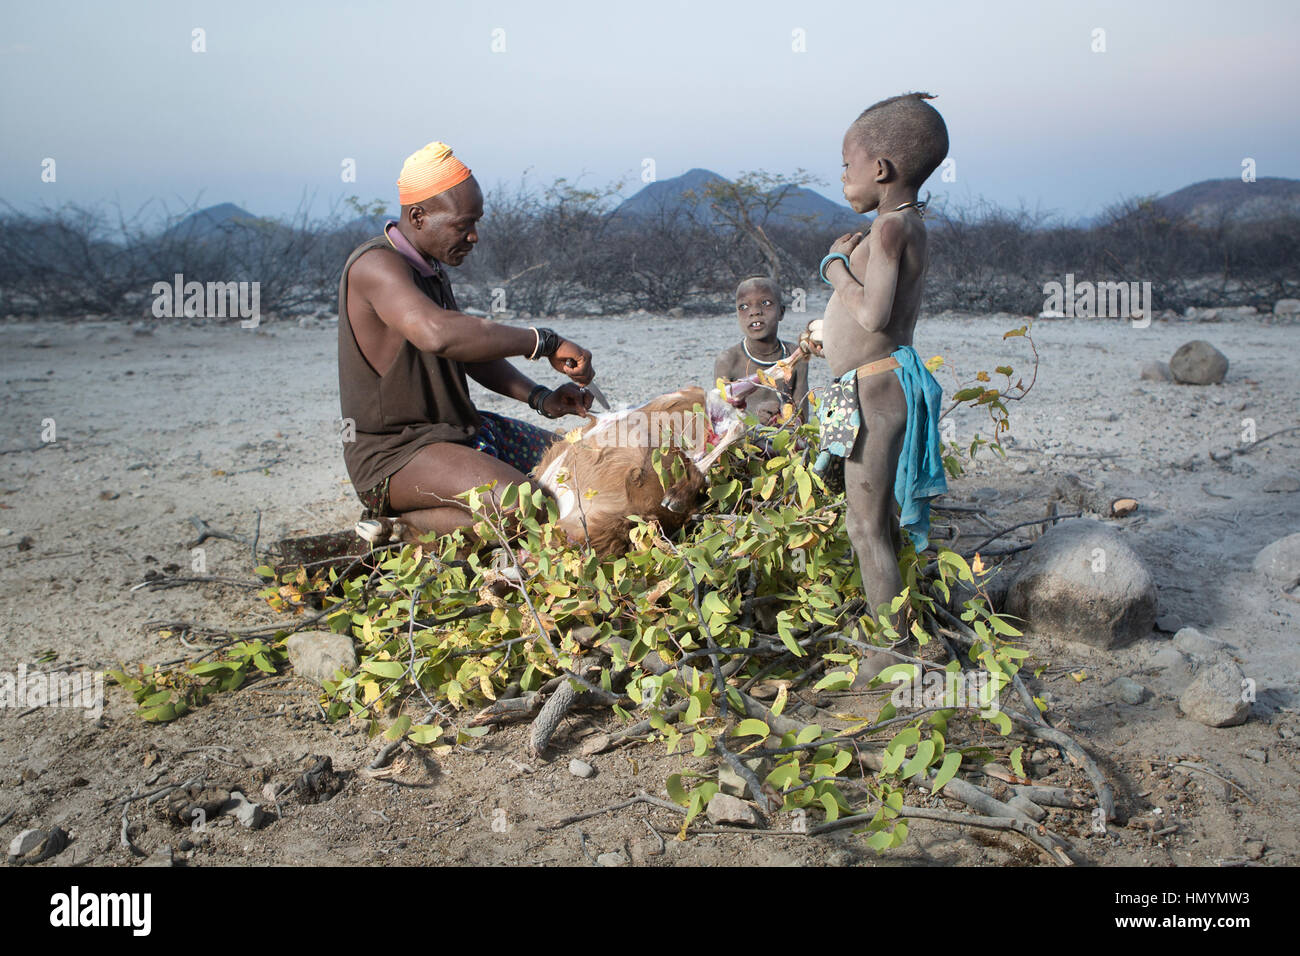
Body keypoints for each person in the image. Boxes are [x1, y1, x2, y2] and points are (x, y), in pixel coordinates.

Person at [338, 141, 595, 539]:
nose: (474, 236)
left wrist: (540, 397)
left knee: (577, 467)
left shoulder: (429, 271)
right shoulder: (376, 265)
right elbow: (438, 335)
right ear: (418, 216)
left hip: (461, 434)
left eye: (475, 223)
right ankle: (405, 529)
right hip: (394, 457)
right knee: (532, 508)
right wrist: (543, 342)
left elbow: (469, 353)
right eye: (463, 224)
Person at [806, 93, 951, 631]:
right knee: (872, 520)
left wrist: (834, 267)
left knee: (865, 526)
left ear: (881, 168)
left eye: (848, 166)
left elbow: (871, 315)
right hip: (856, 388)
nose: (843, 177)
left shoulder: (891, 228)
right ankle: (895, 627)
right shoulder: (897, 224)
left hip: (873, 389)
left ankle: (890, 651)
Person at [713, 276, 808, 425]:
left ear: (781, 312)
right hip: (743, 441)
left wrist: (781, 419)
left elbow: (802, 418)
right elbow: (720, 421)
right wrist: (756, 419)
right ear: (737, 314)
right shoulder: (728, 361)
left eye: (765, 303)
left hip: (786, 439)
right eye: (744, 307)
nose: (755, 312)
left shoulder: (795, 355)